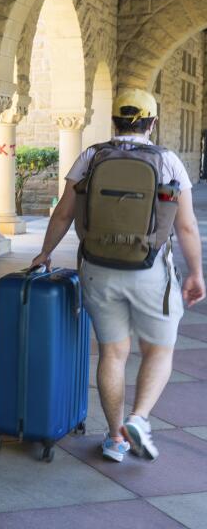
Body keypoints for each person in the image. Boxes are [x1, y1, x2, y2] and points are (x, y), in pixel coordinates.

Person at [31, 89, 205, 462]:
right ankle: (138, 419)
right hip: (150, 271)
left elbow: (63, 213)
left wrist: (45, 253)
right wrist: (196, 274)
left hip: (97, 268)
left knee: (112, 352)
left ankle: (115, 439)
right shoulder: (168, 160)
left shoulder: (91, 156)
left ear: (114, 121)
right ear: (152, 123)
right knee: (158, 350)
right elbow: (187, 227)